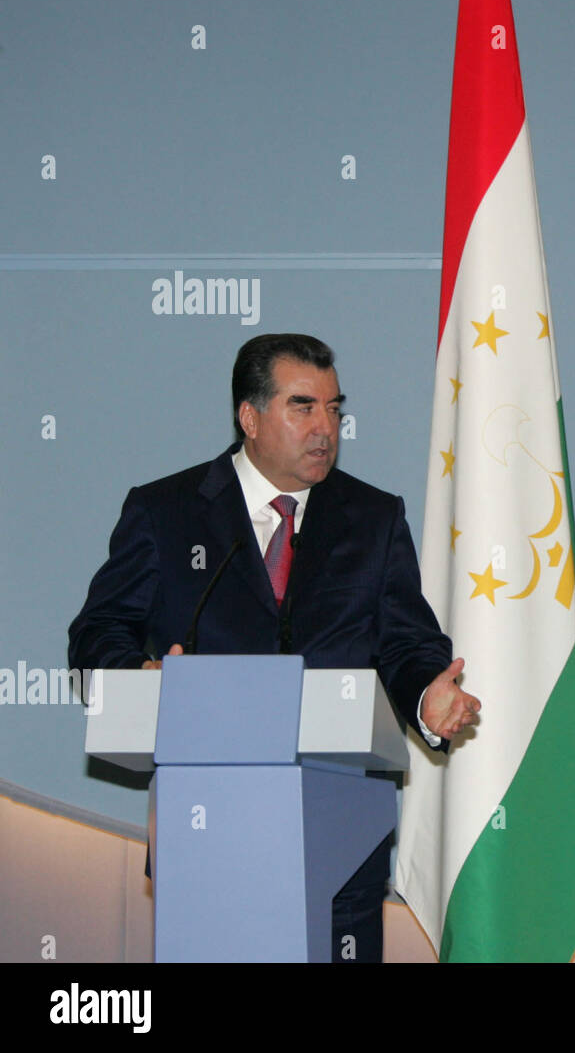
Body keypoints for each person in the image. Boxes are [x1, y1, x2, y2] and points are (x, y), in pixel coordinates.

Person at [68, 333, 479, 962]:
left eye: (335, 409)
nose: (326, 428)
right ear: (250, 417)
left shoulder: (372, 517)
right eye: (303, 407)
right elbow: (98, 631)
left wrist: (427, 695)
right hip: (208, 840)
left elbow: (405, 640)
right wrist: (140, 676)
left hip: (342, 840)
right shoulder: (166, 512)